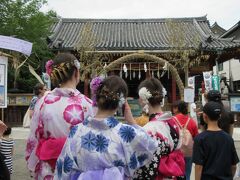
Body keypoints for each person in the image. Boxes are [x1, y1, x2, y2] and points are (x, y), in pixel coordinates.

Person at [54, 75, 158, 179]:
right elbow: (151, 145)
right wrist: (131, 121)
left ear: (96, 98)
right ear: (121, 103)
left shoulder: (76, 131)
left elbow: (63, 170)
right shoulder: (126, 133)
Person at [25, 53, 93, 179]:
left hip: (48, 169)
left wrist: (32, 165)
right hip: (78, 170)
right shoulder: (88, 105)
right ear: (76, 73)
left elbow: (34, 139)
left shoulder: (43, 103)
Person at [134, 78, 185, 179]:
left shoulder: (150, 129)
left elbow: (147, 167)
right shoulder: (174, 122)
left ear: (142, 98)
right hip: (175, 173)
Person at [193, 101, 239, 180]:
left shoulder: (200, 139)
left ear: (204, 116)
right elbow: (234, 165)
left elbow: (199, 166)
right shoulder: (228, 138)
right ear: (219, 116)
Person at [174, 101, 199, 180]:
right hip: (188, 152)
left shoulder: (172, 120)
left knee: (175, 173)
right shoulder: (191, 122)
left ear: (177, 109)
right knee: (187, 172)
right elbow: (197, 137)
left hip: (176, 151)